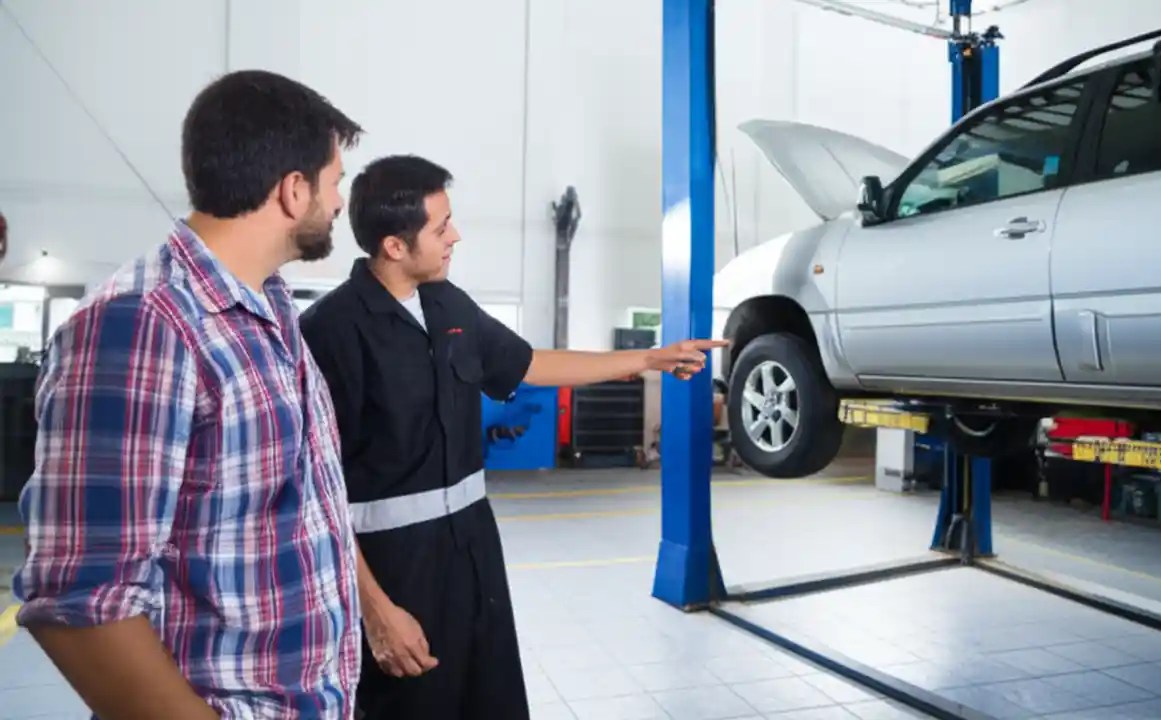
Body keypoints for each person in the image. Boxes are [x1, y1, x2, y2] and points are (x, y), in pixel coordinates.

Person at [299, 154, 724, 719]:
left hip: (474, 547)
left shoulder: (448, 304)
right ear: (394, 246)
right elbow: (313, 493)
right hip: (395, 568)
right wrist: (374, 612)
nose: (457, 236)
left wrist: (648, 359)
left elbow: (528, 364)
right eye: (440, 227)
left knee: (489, 699)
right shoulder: (328, 333)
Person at [11, 69, 365, 719]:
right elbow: (81, 603)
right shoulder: (143, 323)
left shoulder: (270, 308)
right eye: (335, 181)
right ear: (294, 190)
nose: (339, 202)